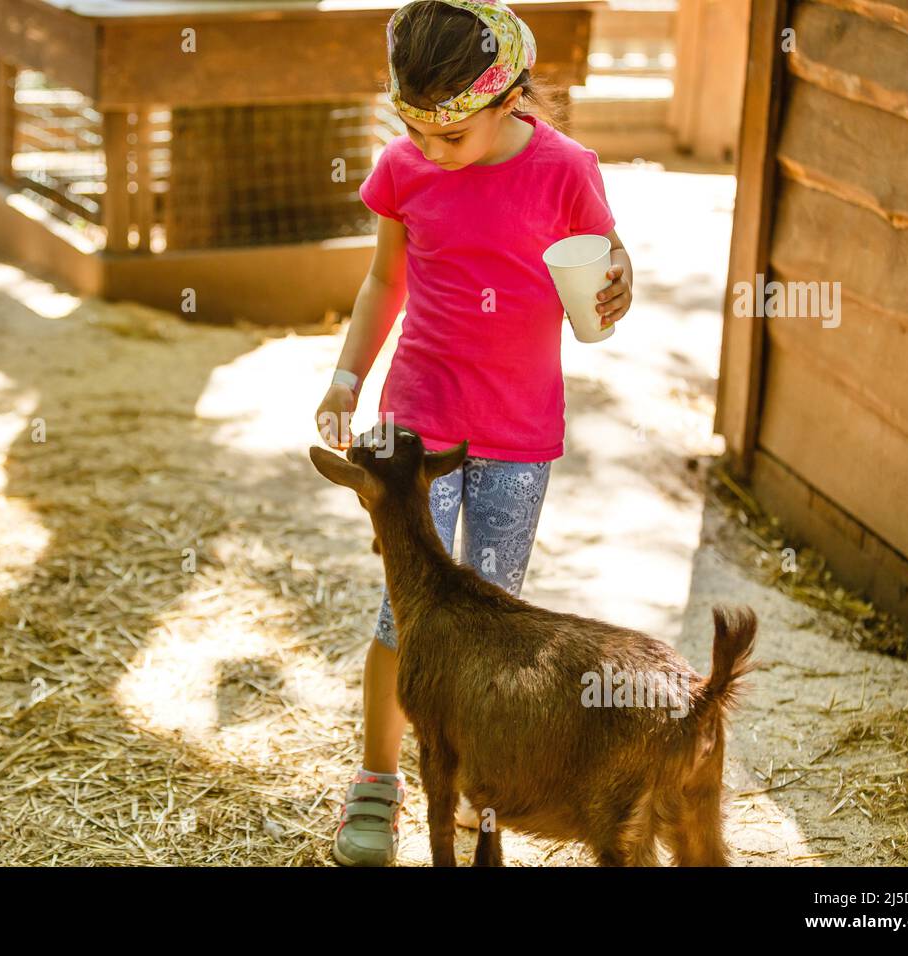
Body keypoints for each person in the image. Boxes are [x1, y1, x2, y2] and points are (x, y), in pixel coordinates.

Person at [314, 0, 633, 866]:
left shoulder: (567, 169)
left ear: (512, 100)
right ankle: (377, 784)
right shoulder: (404, 171)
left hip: (519, 433)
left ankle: (470, 793)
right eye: (414, 129)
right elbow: (384, 283)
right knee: (404, 617)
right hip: (418, 426)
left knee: (491, 629)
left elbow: (605, 257)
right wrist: (347, 379)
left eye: (449, 133)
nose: (430, 150)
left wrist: (620, 279)